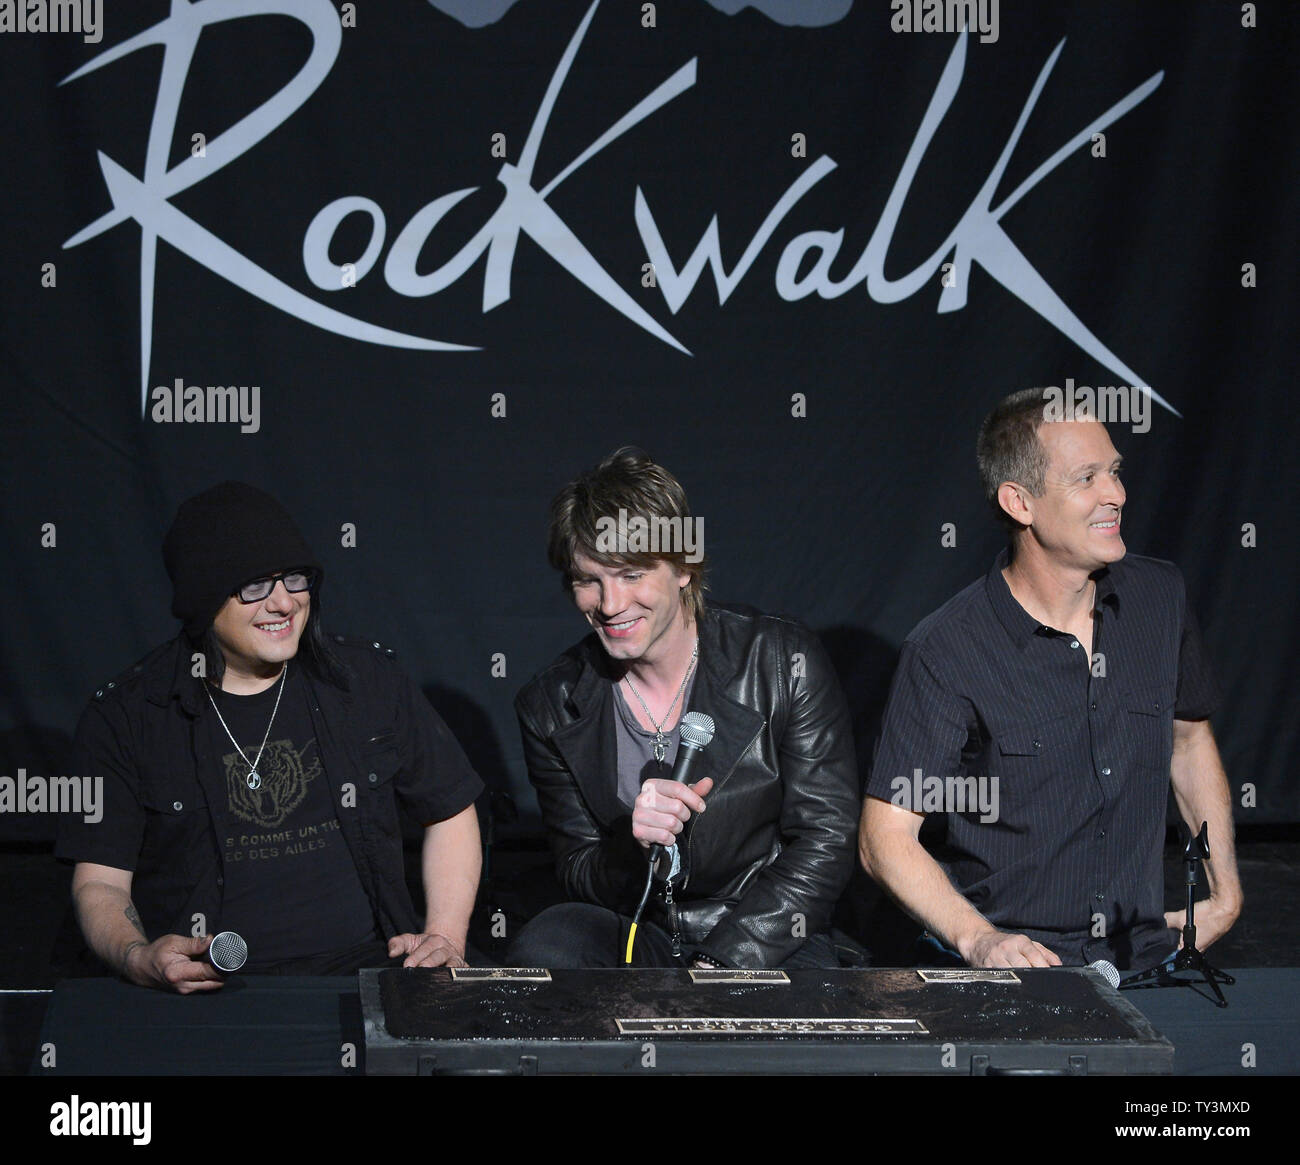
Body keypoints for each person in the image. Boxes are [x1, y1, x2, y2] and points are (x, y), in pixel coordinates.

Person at [859, 389, 1242, 972]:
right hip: (1020, 968)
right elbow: (884, 836)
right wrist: (979, 940)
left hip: (1147, 959)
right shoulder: (946, 649)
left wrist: (1225, 895)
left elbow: (1188, 744)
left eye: (1114, 472)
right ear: (1020, 502)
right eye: (1086, 478)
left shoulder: (1160, 598)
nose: (1115, 494)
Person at [56, 482, 483, 991]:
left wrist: (444, 936)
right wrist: (135, 956)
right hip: (208, 987)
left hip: (370, 967)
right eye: (255, 585)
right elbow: (101, 881)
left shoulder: (366, 681)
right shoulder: (129, 715)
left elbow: (451, 810)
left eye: (295, 579)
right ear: (202, 599)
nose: (284, 602)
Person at [508, 448, 859, 969]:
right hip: (640, 932)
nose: (609, 605)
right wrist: (631, 845)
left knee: (794, 1006)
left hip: (764, 930)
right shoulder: (551, 705)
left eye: (630, 574)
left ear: (683, 568)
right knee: (551, 942)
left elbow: (825, 838)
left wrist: (723, 962)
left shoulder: (782, 661)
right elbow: (578, 869)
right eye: (589, 580)